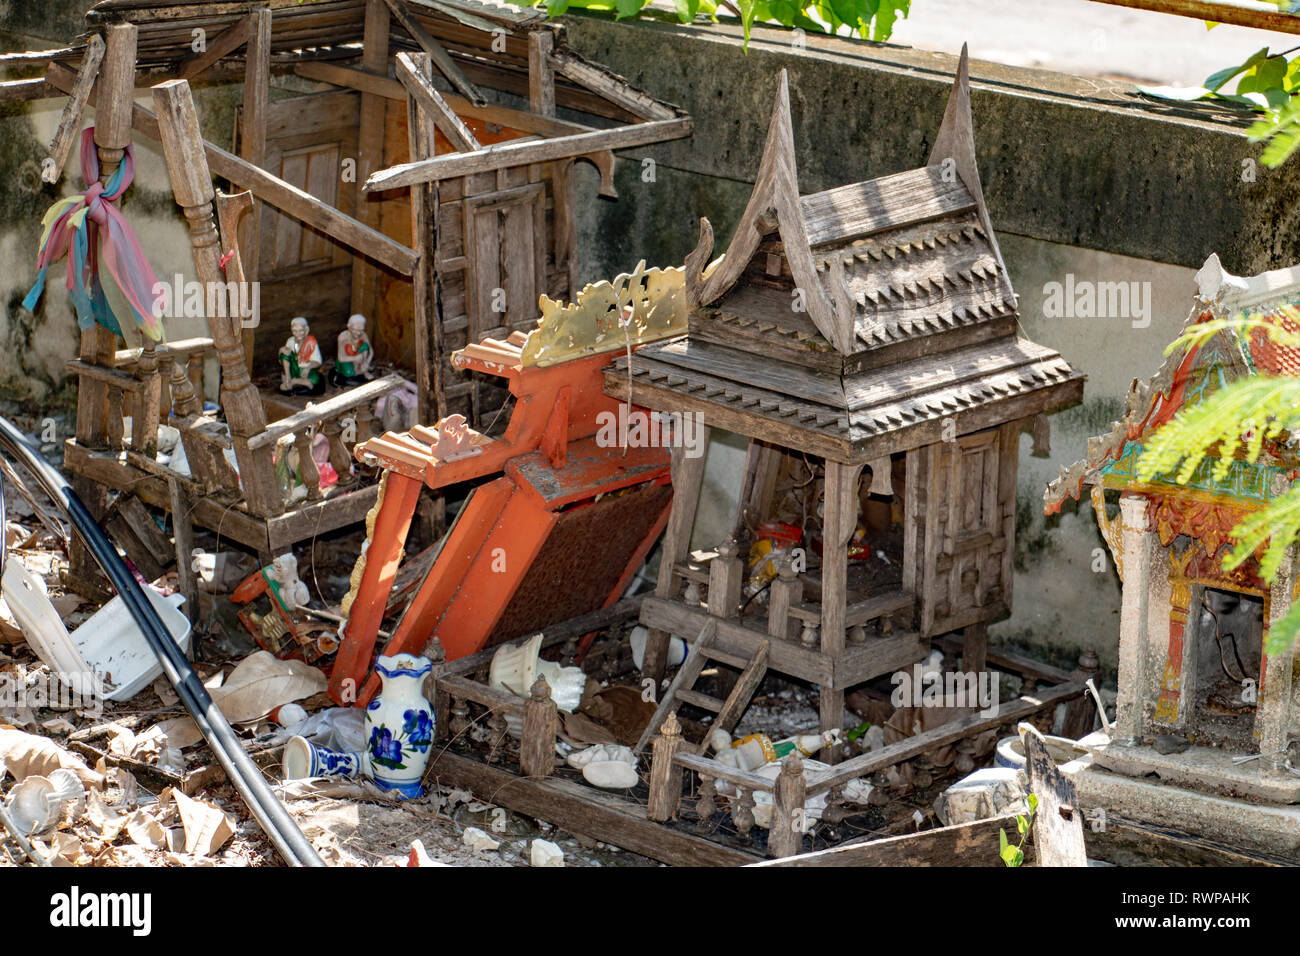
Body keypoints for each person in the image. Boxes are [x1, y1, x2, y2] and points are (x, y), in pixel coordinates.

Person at [279, 316, 324, 395]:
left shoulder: (311, 342)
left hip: (306, 372)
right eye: (295, 331)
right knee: (284, 351)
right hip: (294, 369)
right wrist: (281, 351)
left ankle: (296, 382)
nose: (298, 334)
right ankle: (288, 379)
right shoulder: (290, 341)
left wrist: (308, 367)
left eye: (301, 331)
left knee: (314, 381)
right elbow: (283, 359)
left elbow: (318, 362)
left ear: (306, 330)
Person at [331, 312, 374, 387]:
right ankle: (358, 372)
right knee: (349, 373)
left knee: (365, 345)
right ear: (348, 327)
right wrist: (355, 358)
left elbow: (371, 351)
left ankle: (364, 371)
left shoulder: (363, 335)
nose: (358, 333)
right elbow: (341, 358)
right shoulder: (343, 337)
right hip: (347, 360)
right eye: (355, 330)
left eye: (361, 330)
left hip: (360, 361)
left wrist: (367, 362)